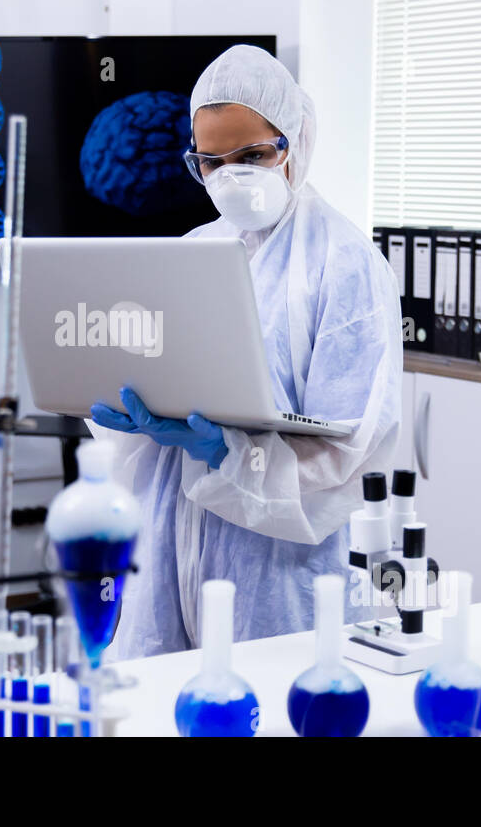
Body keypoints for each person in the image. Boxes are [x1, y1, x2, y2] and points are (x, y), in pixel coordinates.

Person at [88, 45, 403, 660]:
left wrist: (229, 455)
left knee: (272, 701)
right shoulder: (194, 249)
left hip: (279, 566)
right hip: (171, 536)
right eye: (211, 161)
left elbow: (350, 448)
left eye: (253, 155)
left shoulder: (344, 264)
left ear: (295, 141)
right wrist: (132, 419)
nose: (231, 175)